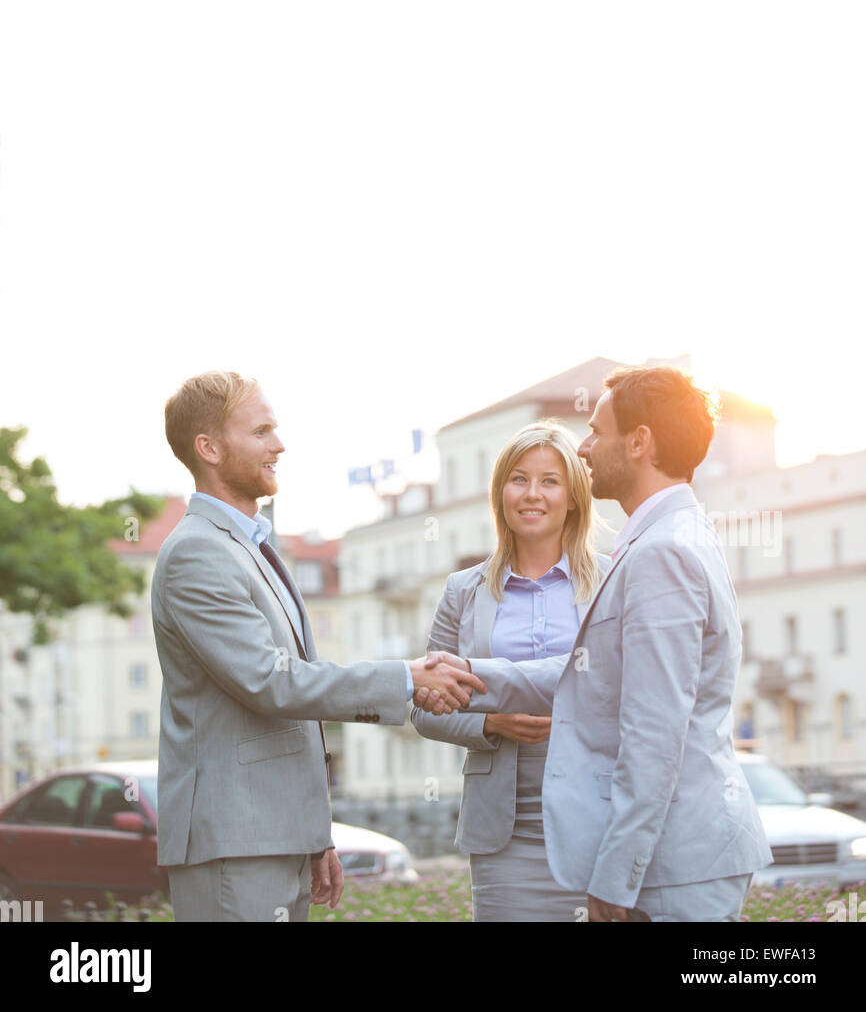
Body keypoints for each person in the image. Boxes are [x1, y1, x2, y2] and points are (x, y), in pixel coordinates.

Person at [423, 367, 772, 923]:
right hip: (609, 843)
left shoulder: (660, 554)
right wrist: (469, 675)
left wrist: (615, 875)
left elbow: (654, 731)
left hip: (673, 854)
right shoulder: (667, 538)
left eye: (595, 430)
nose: (584, 446)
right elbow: (595, 674)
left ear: (639, 442)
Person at [151, 370, 483, 922]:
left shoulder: (248, 546)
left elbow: (291, 702)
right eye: (260, 432)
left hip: (273, 837)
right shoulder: (197, 554)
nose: (278, 445)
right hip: (236, 844)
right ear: (208, 447)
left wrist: (313, 833)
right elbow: (272, 682)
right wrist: (406, 678)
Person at [412, 421, 610, 921]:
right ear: (500, 493)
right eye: (518, 479)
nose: (532, 494)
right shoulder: (463, 590)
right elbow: (424, 707)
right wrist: (489, 724)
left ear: (573, 496)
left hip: (600, 819)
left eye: (550, 481)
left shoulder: (614, 580)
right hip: (505, 829)